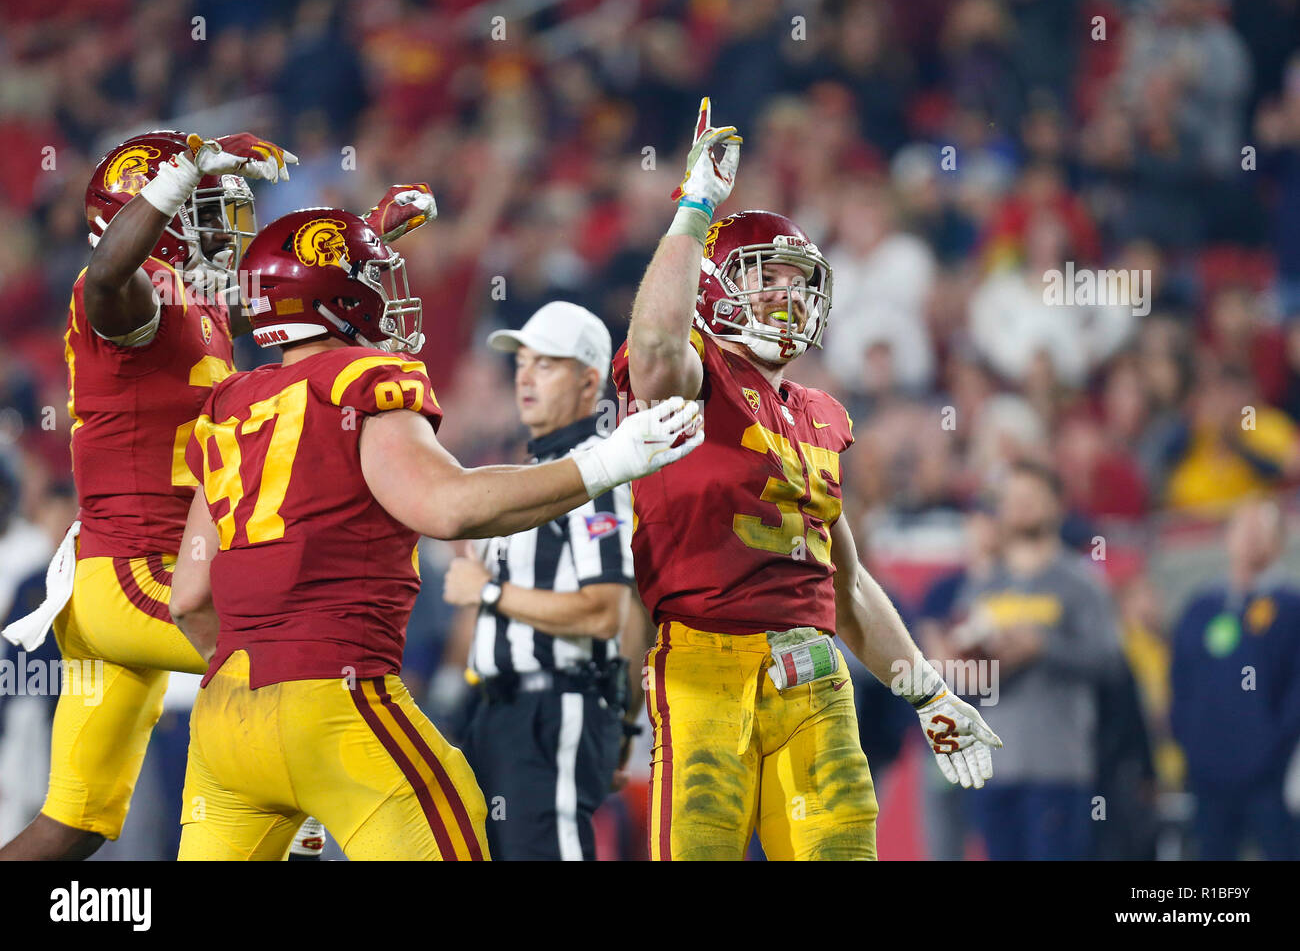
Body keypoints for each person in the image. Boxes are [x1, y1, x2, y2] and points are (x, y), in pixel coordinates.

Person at [170, 208, 702, 860]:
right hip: (336, 698)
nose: (386, 293)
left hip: (225, 720)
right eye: (368, 276)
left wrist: (269, 726)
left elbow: (188, 597)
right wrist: (610, 460)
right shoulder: (360, 379)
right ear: (337, 296)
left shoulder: (229, 405)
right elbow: (449, 506)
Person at [612, 98, 1001, 861]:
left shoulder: (819, 412)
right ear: (719, 288)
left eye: (799, 283)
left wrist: (928, 691)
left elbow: (847, 582)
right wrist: (694, 207)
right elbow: (656, 351)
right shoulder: (700, 374)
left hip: (816, 673)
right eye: (769, 281)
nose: (790, 298)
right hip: (705, 661)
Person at [0, 130, 295, 860]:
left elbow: (296, 317)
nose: (215, 222)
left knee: (69, 828)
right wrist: (175, 178)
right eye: (195, 204)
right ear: (150, 209)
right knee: (299, 667)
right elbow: (106, 279)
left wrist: (357, 245)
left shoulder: (197, 301)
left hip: (135, 582)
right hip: (135, 574)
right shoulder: (127, 291)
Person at [442, 300, 638, 860]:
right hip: (499, 711)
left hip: (554, 705)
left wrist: (488, 592)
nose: (525, 376)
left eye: (547, 364)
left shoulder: (598, 473)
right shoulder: (532, 475)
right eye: (522, 362)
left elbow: (605, 611)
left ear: (588, 380)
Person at [955, 461, 1124, 860]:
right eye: (1012, 501)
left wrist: (1042, 646)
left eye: (1031, 499)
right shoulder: (983, 583)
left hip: (1058, 765)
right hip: (994, 767)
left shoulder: (1081, 581)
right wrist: (966, 662)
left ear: (1056, 506)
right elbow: (965, 677)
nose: (1021, 509)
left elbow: (1110, 661)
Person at [1171, 498, 1300, 859]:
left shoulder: (1291, 607)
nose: (1250, 540)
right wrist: (1189, 739)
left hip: (1271, 771)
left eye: (1261, 531)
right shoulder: (1202, 606)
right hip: (1207, 769)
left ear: (1279, 542)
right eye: (1243, 529)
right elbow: (1181, 680)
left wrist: (1274, 742)